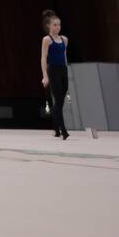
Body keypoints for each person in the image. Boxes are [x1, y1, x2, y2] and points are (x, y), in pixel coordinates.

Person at [40, 10, 69, 140]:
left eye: (59, 25)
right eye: (55, 25)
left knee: (60, 102)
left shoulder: (64, 39)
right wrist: (45, 76)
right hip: (53, 71)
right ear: (49, 26)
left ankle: (56, 127)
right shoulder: (47, 39)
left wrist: (67, 69)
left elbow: (64, 55)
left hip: (63, 70)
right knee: (58, 100)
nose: (58, 27)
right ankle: (63, 131)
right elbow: (43, 58)